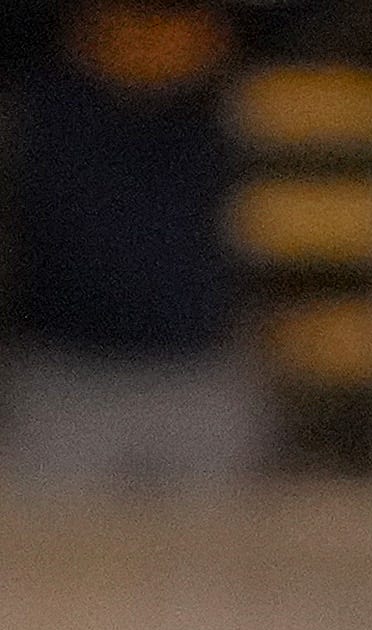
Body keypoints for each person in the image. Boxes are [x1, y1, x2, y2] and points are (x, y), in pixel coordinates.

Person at [3, 0, 266, 489]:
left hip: (198, 368)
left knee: (213, 558)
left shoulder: (229, 34)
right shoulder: (37, 38)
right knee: (53, 557)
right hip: (61, 370)